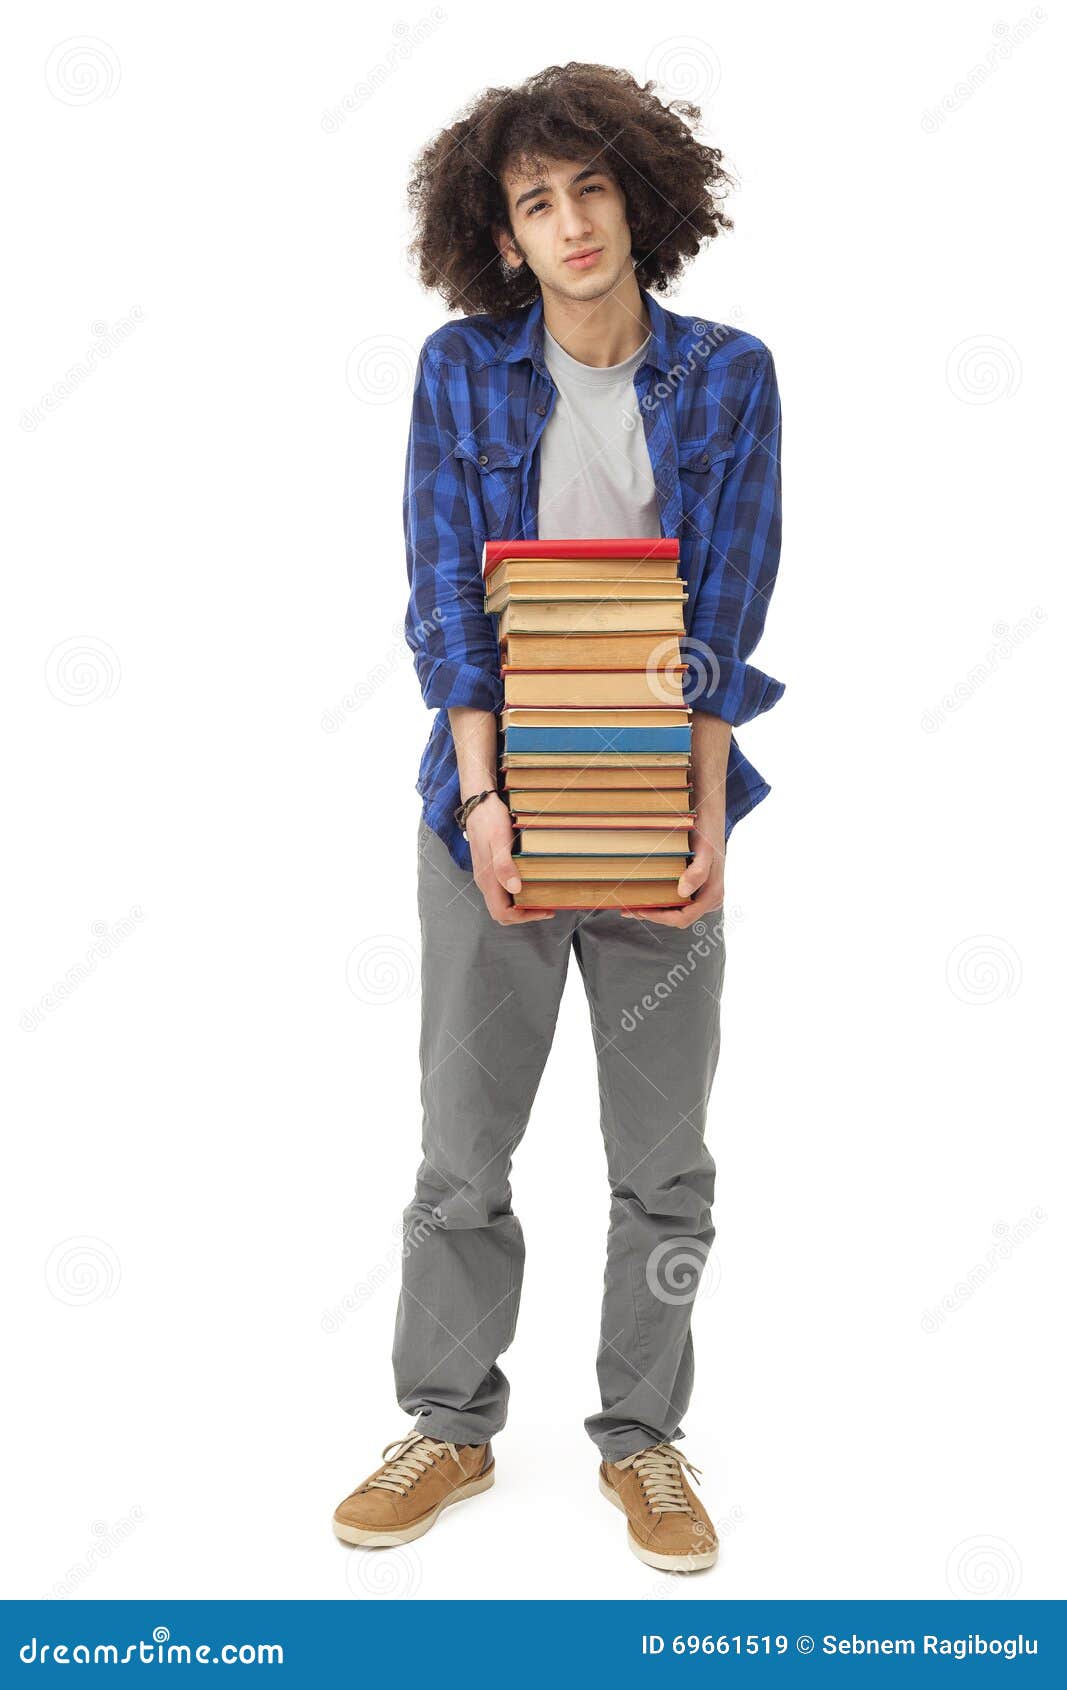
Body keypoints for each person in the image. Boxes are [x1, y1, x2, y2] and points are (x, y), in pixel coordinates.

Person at [333, 61, 784, 1572]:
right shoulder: (462, 370)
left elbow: (727, 604)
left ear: (640, 196)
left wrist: (707, 812)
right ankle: (450, 1425)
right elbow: (444, 594)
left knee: (667, 1161)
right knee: (464, 1148)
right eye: (536, 201)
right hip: (495, 811)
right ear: (503, 237)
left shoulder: (728, 372)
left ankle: (645, 1444)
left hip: (660, 811)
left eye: (591, 186)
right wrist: (482, 799)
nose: (572, 221)